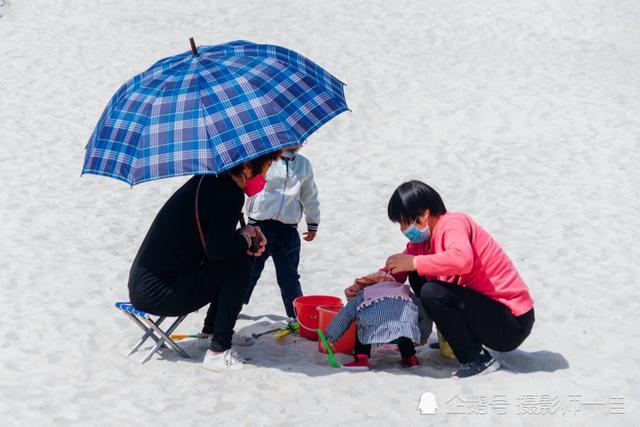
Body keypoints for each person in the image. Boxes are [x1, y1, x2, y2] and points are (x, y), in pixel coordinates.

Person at [356, 180, 535, 378]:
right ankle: (452, 340)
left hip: (511, 322)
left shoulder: (452, 224)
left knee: (431, 291)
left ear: (424, 214)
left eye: (405, 222)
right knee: (418, 273)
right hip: (486, 313)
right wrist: (373, 282)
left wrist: (414, 262)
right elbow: (400, 269)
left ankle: (476, 358)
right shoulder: (424, 241)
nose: (403, 229)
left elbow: (462, 260)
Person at [127, 151, 279, 371]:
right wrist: (246, 239)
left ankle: (210, 333)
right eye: (267, 166)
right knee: (239, 265)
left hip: (145, 288)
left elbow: (214, 241)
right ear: (247, 165)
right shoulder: (227, 192)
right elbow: (218, 251)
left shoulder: (210, 179)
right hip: (161, 294)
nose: (266, 174)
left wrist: (247, 233)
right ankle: (218, 352)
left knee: (237, 258)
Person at [242, 145, 320, 319]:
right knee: (249, 271)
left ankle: (296, 317)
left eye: (300, 140)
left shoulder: (303, 164)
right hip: (260, 224)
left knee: (290, 275)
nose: (298, 143)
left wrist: (313, 221)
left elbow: (310, 194)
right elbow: (247, 183)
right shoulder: (264, 158)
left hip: (288, 228)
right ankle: (232, 309)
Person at [326, 279, 432, 370]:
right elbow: (423, 313)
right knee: (404, 321)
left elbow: (345, 315)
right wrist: (424, 335)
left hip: (372, 331)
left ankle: (361, 359)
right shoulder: (403, 289)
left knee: (361, 319)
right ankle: (410, 358)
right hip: (404, 333)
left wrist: (330, 338)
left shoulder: (364, 293)